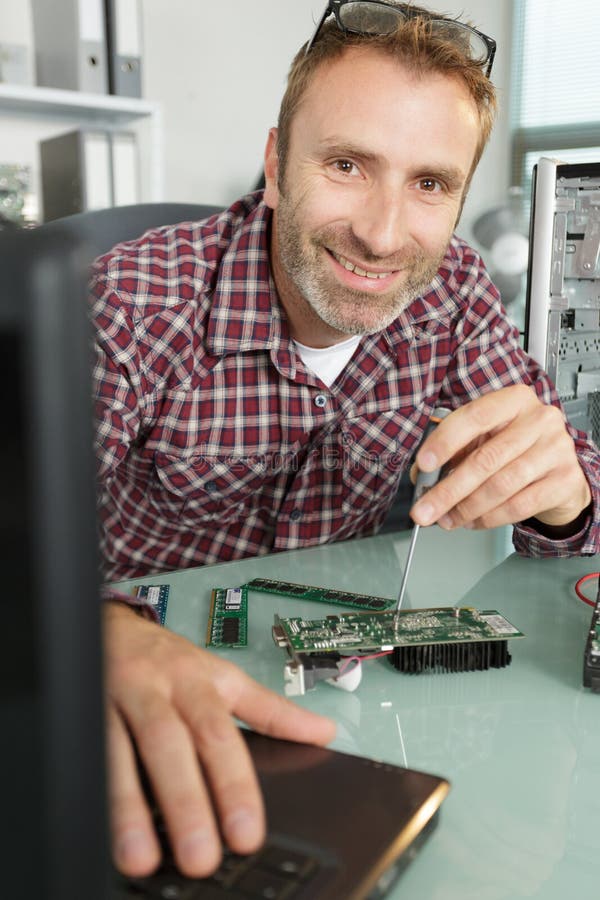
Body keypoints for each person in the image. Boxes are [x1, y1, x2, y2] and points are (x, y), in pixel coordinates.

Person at [91, 0, 600, 880]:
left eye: (430, 184)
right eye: (347, 164)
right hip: (145, 695)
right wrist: (87, 633)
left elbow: (569, 496)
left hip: (346, 720)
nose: (382, 232)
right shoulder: (130, 305)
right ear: (276, 164)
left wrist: (566, 500)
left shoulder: (456, 293)